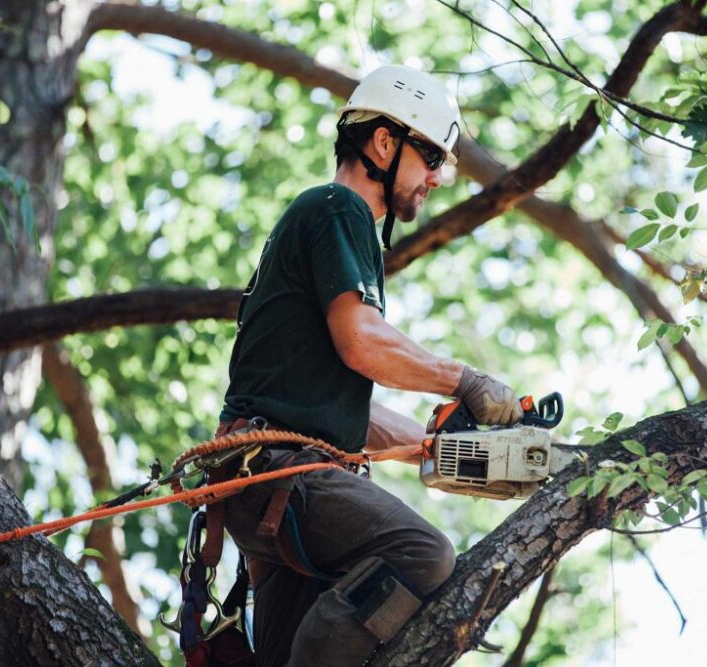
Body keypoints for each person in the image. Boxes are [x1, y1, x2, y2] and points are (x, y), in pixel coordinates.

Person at [216, 65, 524, 667]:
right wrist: (466, 381)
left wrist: (439, 452)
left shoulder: (322, 224)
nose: (437, 177)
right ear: (384, 142)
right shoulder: (339, 209)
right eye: (430, 157)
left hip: (275, 484)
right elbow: (363, 342)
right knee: (424, 555)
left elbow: (347, 409)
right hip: (283, 476)